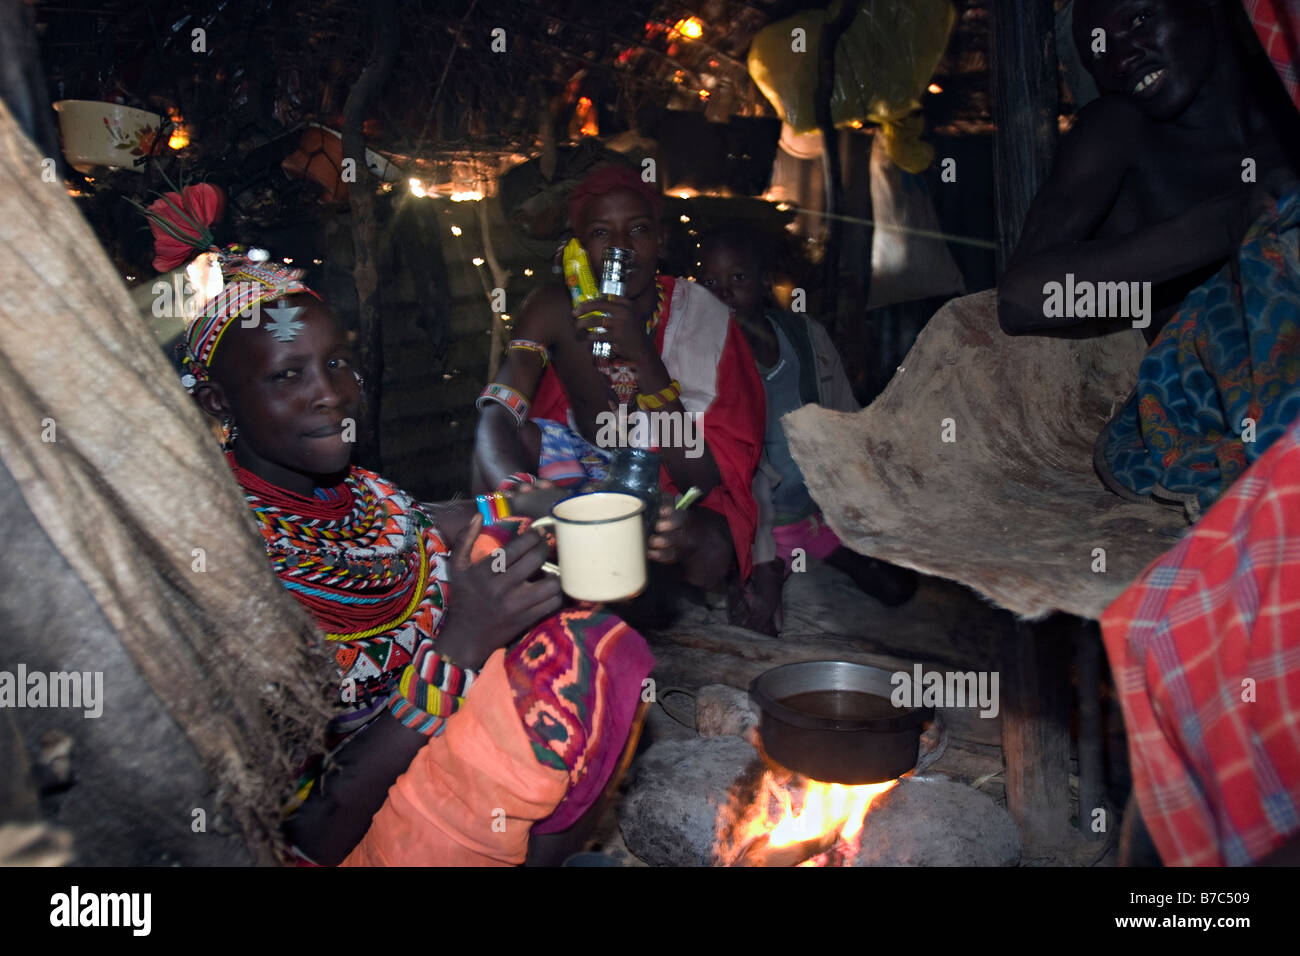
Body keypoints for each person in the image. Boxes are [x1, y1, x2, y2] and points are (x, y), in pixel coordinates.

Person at [177, 242, 654, 866]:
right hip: (335, 840)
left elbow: (426, 524)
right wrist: (459, 647)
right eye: (287, 374)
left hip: (419, 760)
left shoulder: (356, 494)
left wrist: (594, 511)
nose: (331, 394)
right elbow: (307, 830)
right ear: (218, 404)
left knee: (588, 636)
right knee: (569, 660)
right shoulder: (226, 573)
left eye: (337, 362)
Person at [473, 164, 766, 601]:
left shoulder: (702, 315)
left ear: (661, 241)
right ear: (579, 246)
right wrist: (518, 491)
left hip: (663, 490)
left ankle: (622, 590)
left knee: (711, 547)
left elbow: (700, 479)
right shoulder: (555, 305)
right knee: (490, 458)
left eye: (638, 230)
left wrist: (641, 352)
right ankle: (530, 571)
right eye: (601, 234)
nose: (620, 250)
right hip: (570, 476)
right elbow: (498, 411)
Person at [998, 0, 1298, 342]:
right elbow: (1021, 299)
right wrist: (1232, 219)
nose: (1121, 61)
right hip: (1215, 384)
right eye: (1098, 50)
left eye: (1140, 19)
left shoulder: (1287, 110)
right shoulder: (1119, 131)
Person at [698, 227, 917, 636]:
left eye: (738, 278)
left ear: (764, 281)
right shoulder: (702, 362)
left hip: (815, 516)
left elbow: (845, 422)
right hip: (756, 526)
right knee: (756, 624)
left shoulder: (805, 338)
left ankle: (801, 557)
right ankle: (753, 573)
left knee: (897, 587)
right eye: (710, 283)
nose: (724, 294)